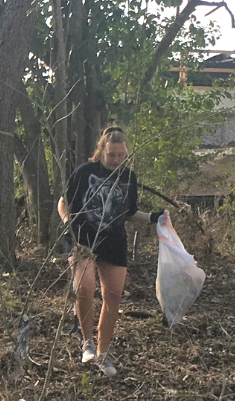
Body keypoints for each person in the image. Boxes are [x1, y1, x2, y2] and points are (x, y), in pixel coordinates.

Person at [58, 126, 168, 377]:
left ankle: (103, 353)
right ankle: (87, 342)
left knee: (114, 296)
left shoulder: (128, 178)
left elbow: (128, 213)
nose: (116, 160)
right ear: (101, 152)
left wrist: (153, 218)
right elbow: (63, 202)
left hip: (113, 241)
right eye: (111, 155)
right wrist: (67, 223)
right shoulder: (85, 172)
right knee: (84, 287)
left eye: (121, 155)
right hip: (83, 239)